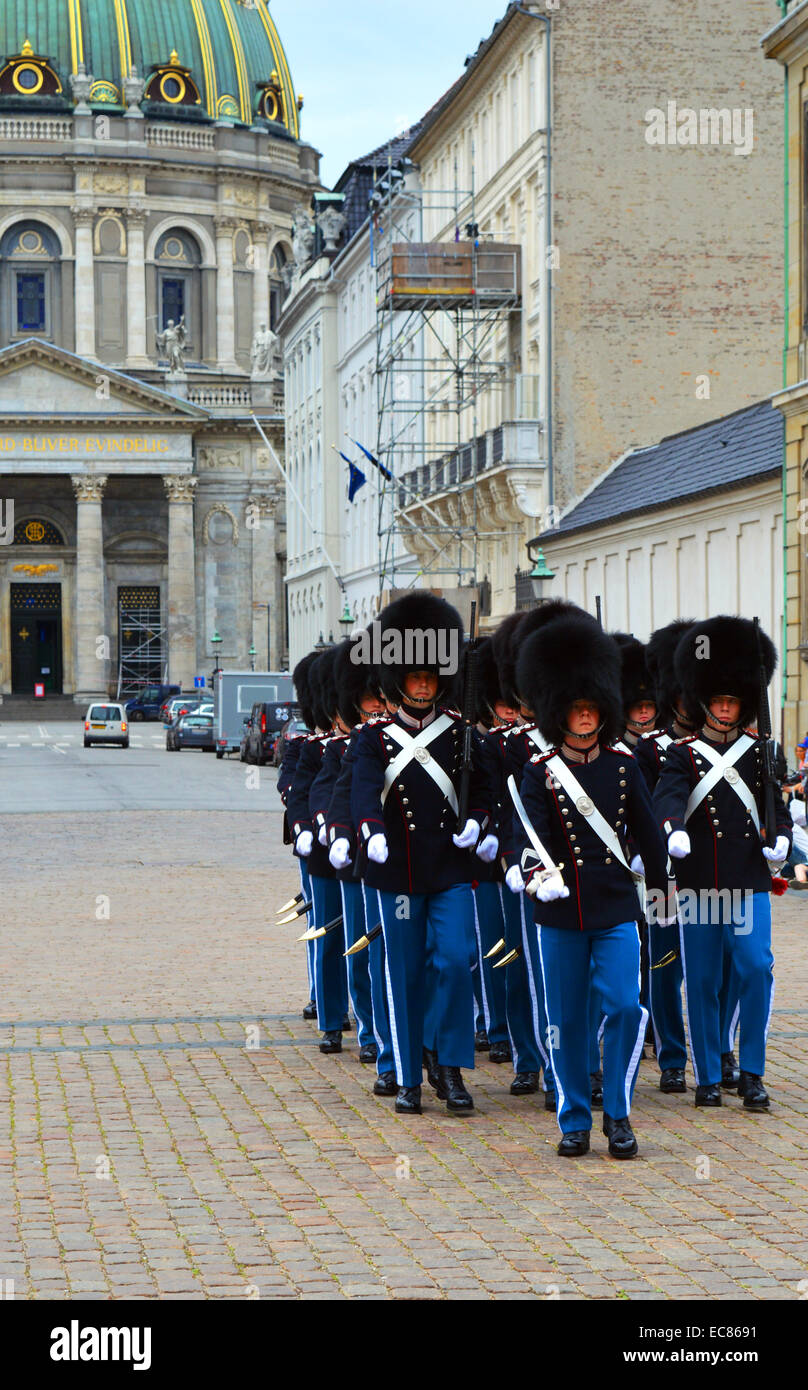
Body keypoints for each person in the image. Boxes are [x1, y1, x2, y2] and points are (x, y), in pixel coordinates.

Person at [511, 611, 670, 1159]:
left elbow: (648, 832)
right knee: (567, 1020)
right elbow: (526, 831)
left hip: (614, 908)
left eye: (591, 707)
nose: (583, 716)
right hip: (560, 914)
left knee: (626, 1006)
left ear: (604, 709)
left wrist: (663, 887)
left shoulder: (624, 768)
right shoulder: (541, 770)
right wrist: (535, 873)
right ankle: (575, 1117)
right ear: (561, 711)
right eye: (575, 708)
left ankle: (619, 1113)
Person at [351, 592, 495, 1115]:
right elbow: (362, 790)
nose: (423, 685)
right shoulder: (374, 739)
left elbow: (482, 790)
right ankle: (410, 1074)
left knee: (456, 961)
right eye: (414, 678)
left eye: (431, 678)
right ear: (398, 680)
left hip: (450, 869)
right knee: (405, 970)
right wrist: (371, 831)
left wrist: (477, 823)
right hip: (398, 871)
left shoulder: (459, 734)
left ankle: (450, 1066)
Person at [654, 615, 791, 1110]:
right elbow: (667, 795)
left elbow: (773, 807)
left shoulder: (760, 754)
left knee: (756, 967)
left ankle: (752, 1071)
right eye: (719, 700)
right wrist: (673, 829)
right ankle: (709, 1073)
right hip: (700, 882)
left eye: (734, 701)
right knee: (705, 979)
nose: (727, 708)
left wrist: (782, 842)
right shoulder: (683, 753)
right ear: (705, 702)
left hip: (748, 879)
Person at [286, 647, 349, 1053]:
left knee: (365, 943)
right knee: (328, 934)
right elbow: (301, 792)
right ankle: (329, 1015)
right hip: (324, 857)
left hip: (367, 858)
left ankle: (371, 1025)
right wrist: (309, 827)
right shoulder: (313, 747)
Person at [279, 650, 321, 1020]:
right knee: (318, 921)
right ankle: (319, 991)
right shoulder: (301, 744)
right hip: (313, 845)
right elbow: (288, 785)